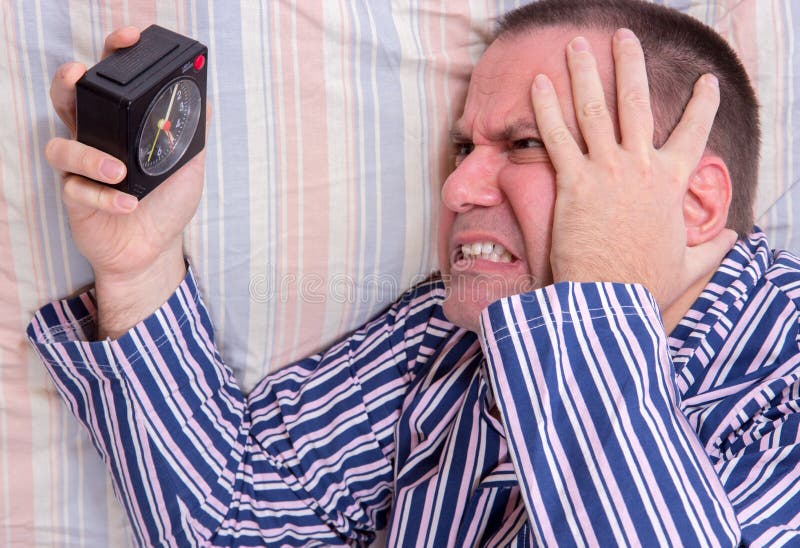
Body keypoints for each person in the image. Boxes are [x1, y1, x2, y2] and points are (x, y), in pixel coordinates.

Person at [29, 0, 800, 546]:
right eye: (465, 150)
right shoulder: (456, 326)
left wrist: (597, 306)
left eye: (529, 144)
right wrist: (142, 268)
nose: (457, 189)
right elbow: (241, 518)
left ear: (696, 203)